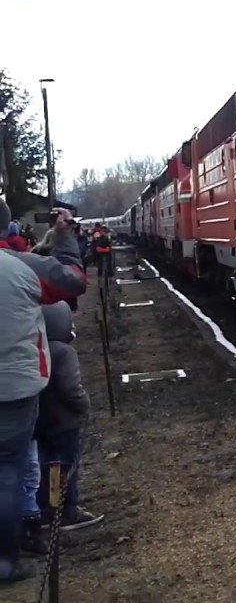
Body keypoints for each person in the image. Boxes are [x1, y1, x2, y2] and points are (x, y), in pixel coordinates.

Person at [0, 201, 86, 584]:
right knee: (9, 469)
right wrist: (64, 236)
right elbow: (71, 281)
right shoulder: (20, 266)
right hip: (13, 389)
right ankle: (5, 559)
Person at [35, 301, 101, 533]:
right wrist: (84, 405)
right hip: (64, 422)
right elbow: (71, 388)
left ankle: (47, 508)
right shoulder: (63, 352)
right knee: (66, 465)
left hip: (40, 421)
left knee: (45, 465)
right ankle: (67, 508)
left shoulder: (34, 349)